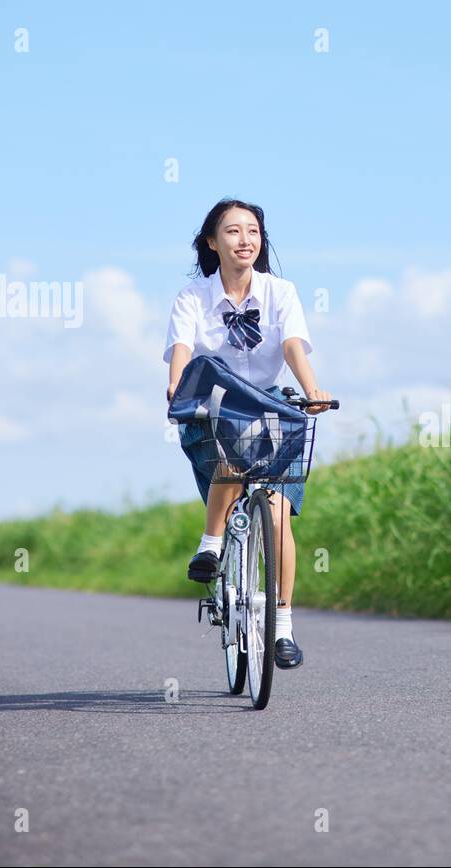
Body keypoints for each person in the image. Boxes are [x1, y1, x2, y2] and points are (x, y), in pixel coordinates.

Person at [163, 199, 333, 669]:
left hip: (268, 404)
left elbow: (294, 345)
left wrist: (312, 388)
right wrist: (176, 386)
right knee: (231, 461)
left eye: (253, 231)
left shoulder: (280, 292)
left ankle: (283, 628)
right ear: (212, 242)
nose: (245, 240)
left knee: (277, 516)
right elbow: (181, 347)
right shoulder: (192, 297)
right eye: (233, 232)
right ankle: (211, 545)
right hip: (212, 405)